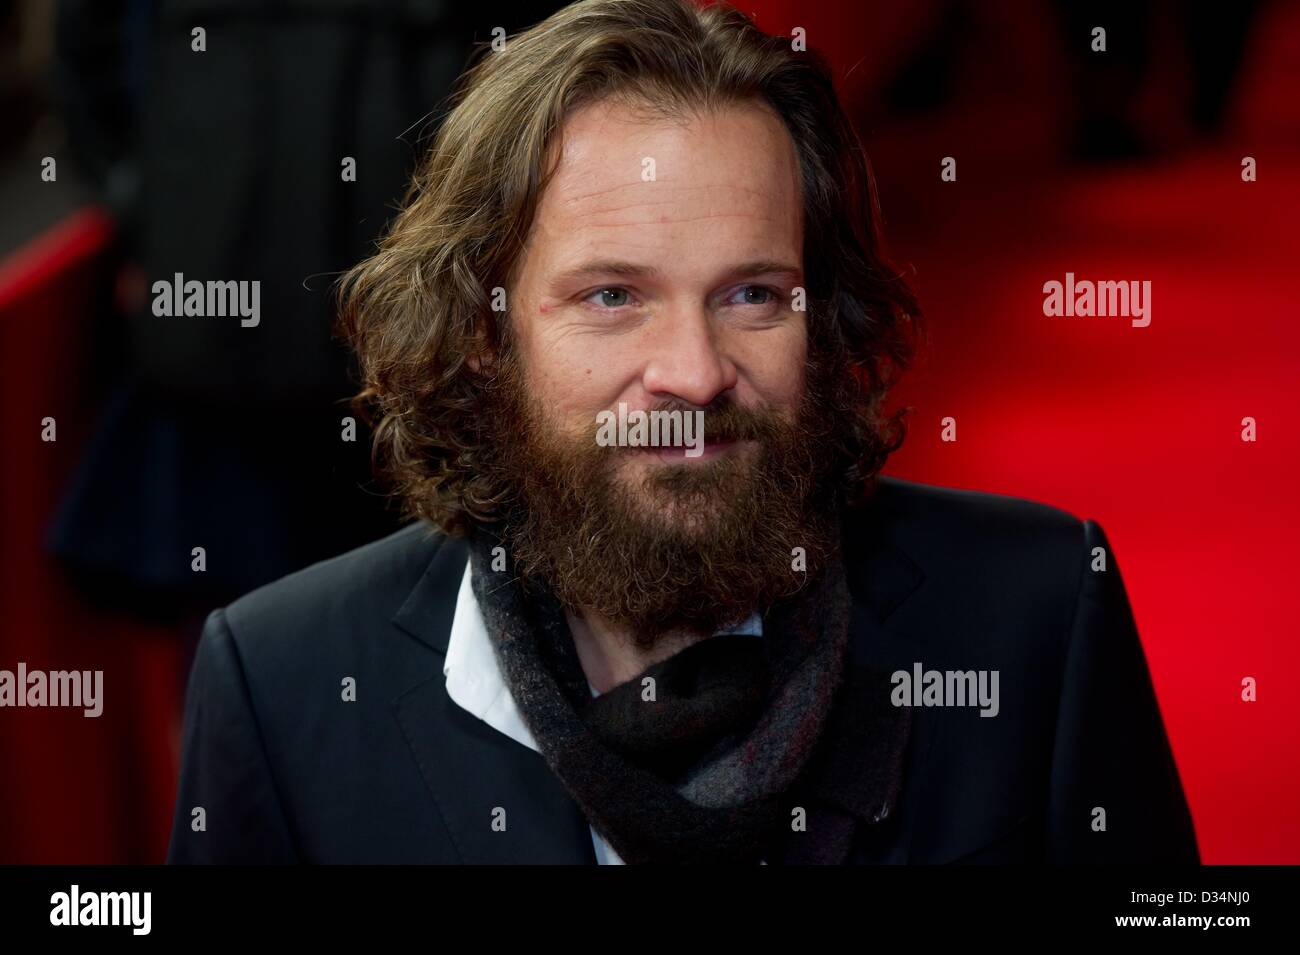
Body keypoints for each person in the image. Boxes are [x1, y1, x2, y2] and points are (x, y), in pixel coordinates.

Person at [166, 0, 1198, 865]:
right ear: (482, 332)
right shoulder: (281, 688)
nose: (696, 373)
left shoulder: (1037, 618)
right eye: (613, 297)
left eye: (754, 294)